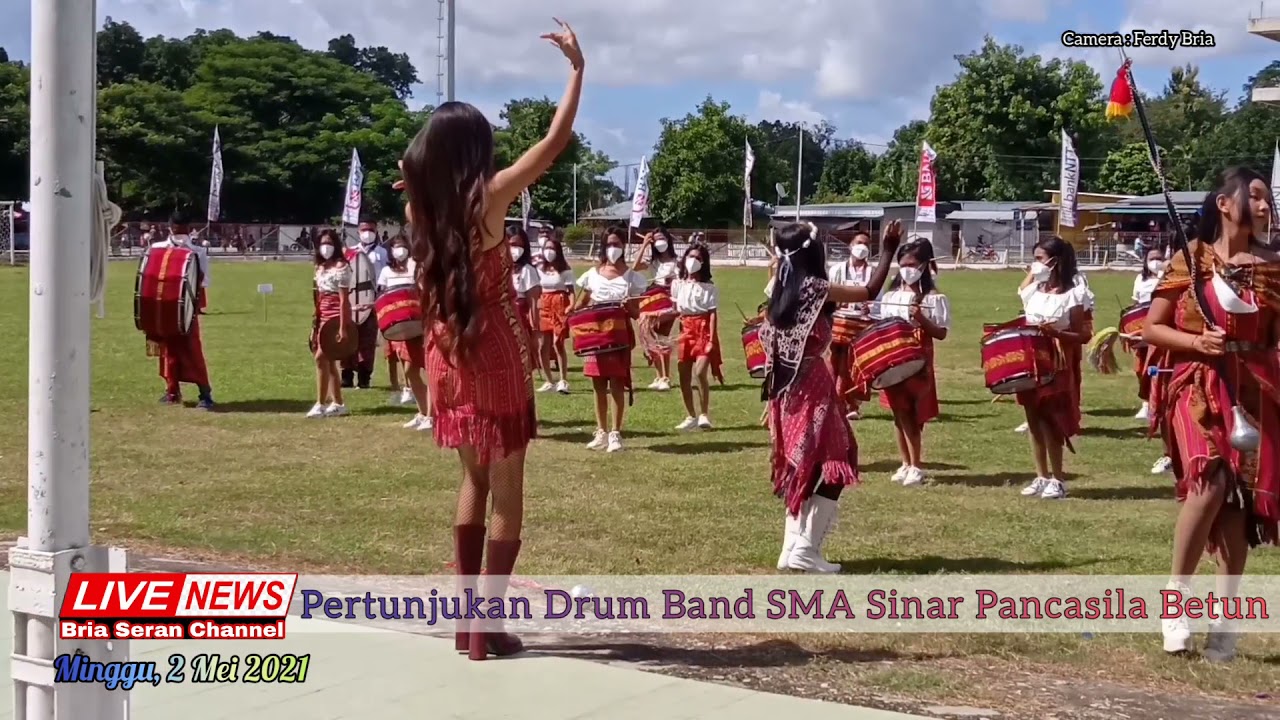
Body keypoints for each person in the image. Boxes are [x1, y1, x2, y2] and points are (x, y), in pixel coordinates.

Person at [401, 18, 582, 661]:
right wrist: (576, 70)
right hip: (495, 351)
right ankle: (487, 629)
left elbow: (413, 170)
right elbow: (555, 142)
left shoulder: (417, 207)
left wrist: (418, 176)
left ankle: (464, 625)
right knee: (509, 491)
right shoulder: (491, 198)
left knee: (473, 482)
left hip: (445, 352)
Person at [1144, 168, 1280, 660]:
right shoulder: (1190, 260)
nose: (1266, 206)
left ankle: (1226, 621)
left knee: (1239, 512)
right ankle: (1175, 601)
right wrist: (1196, 341)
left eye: (1269, 199)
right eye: (1257, 197)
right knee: (1211, 480)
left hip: (1257, 391)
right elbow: (1153, 329)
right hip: (1196, 383)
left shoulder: (1274, 265)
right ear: (1225, 204)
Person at [763, 219, 901, 573]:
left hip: (786, 389)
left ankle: (792, 548)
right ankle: (805, 550)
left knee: (802, 467)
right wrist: (888, 250)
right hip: (811, 386)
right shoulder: (816, 287)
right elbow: (870, 291)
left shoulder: (779, 289)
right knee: (839, 464)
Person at [1015, 237, 1088, 499]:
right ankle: (1041, 475)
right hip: (1031, 360)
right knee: (1033, 420)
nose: (1035, 264)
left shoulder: (1074, 294)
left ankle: (1058, 478)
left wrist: (1057, 333)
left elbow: (1083, 335)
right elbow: (1021, 293)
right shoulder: (1033, 290)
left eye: (1039, 259)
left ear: (1055, 261)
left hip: (1057, 362)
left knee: (1052, 421)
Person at [877, 240, 950, 487]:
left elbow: (941, 332)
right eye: (904, 263)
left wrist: (920, 318)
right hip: (892, 355)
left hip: (918, 358)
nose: (908, 268)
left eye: (913, 264)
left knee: (913, 412)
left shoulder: (933, 298)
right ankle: (905, 462)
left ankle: (917, 465)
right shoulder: (890, 296)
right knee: (898, 412)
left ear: (925, 265)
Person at [575, 226, 647, 451]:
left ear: (623, 246)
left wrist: (629, 306)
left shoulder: (632, 277)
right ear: (603, 247)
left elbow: (637, 313)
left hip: (619, 336)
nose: (613, 248)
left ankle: (616, 433)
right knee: (598, 385)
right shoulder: (591, 275)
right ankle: (601, 431)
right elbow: (580, 304)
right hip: (594, 337)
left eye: (617, 244)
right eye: (609, 244)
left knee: (617, 382)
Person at [151, 210, 215, 409]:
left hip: (186, 309)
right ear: (169, 228)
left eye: (183, 229)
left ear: (189, 229)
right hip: (165, 309)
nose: (180, 233)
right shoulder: (156, 248)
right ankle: (172, 391)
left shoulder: (198, 252)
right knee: (167, 350)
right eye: (176, 229)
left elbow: (204, 281)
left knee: (192, 350)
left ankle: (205, 393)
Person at [377, 234, 433, 430]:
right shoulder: (386, 270)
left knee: (427, 368)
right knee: (409, 370)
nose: (399, 250)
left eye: (402, 246)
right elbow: (382, 296)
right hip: (398, 325)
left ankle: (432, 414)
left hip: (418, 323)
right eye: (395, 246)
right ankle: (422, 411)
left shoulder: (416, 267)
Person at [671, 242, 722, 429]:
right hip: (685, 331)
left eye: (698, 258)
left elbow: (712, 314)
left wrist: (711, 340)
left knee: (700, 372)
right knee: (683, 375)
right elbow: (675, 312)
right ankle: (690, 415)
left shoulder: (709, 287)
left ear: (704, 263)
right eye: (690, 257)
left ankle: (703, 414)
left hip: (702, 330)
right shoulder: (677, 285)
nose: (693, 261)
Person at [827, 230, 875, 419]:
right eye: (859, 242)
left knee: (855, 365)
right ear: (850, 246)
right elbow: (829, 296)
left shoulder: (872, 272)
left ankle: (853, 405)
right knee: (835, 363)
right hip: (838, 322)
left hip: (861, 324)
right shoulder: (837, 270)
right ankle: (833, 401)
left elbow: (876, 299)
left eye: (866, 244)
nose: (862, 247)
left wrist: (868, 306)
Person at [307, 229, 353, 418]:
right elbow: (317, 296)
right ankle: (339, 403)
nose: (326, 246)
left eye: (330, 242)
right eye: (323, 243)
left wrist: (343, 327)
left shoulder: (341, 267)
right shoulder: (320, 267)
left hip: (335, 316)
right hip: (322, 314)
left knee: (320, 358)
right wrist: (314, 324)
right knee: (329, 360)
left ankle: (320, 403)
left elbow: (344, 300)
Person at [341, 219, 388, 389]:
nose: (367, 233)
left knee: (367, 341)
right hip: (352, 298)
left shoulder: (382, 253)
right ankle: (346, 374)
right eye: (364, 229)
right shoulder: (350, 252)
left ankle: (364, 376)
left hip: (373, 300)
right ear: (358, 232)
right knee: (348, 338)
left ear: (375, 231)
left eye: (370, 229)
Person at [632, 228, 680, 390]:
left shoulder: (676, 262)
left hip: (668, 300)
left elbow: (680, 282)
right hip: (653, 298)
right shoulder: (653, 262)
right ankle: (660, 376)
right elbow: (634, 267)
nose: (659, 242)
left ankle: (665, 377)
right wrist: (644, 244)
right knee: (650, 334)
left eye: (662, 238)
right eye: (656, 239)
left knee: (661, 336)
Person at [535, 236, 576, 393]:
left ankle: (563, 380)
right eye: (546, 248)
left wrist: (571, 305)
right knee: (542, 346)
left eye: (552, 249)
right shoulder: (539, 270)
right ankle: (548, 381)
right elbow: (536, 289)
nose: (549, 252)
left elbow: (571, 291)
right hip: (544, 306)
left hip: (559, 305)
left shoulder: (565, 270)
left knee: (557, 343)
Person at [1132, 245, 1166, 421]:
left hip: (1162, 326)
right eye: (1152, 258)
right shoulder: (1140, 279)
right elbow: (1136, 302)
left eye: (1159, 258)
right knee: (1141, 366)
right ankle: (1145, 402)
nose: (1155, 262)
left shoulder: (1168, 278)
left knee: (1158, 365)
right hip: (1142, 326)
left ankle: (1158, 401)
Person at [508, 227, 542, 351]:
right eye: (512, 244)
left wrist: (535, 331)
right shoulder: (501, 268)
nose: (516, 249)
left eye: (519, 245)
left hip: (520, 321)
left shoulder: (528, 270)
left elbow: (533, 303)